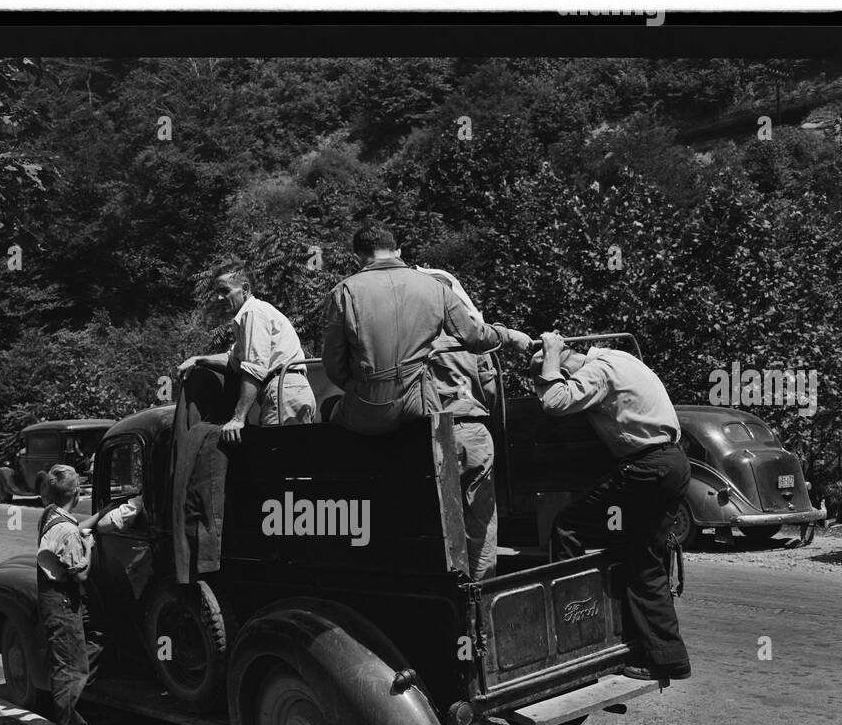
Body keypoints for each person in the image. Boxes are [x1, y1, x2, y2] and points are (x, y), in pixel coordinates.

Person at [320, 224, 534, 579]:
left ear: (360, 255)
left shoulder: (344, 291)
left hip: (372, 411)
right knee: (477, 521)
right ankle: (480, 590)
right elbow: (474, 336)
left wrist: (363, 387)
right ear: (398, 249)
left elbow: (333, 365)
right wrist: (509, 336)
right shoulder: (435, 287)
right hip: (428, 412)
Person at [534, 331, 692, 683]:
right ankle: (667, 658)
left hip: (646, 467)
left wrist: (549, 357)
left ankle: (575, 629)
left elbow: (552, 403)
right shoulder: (621, 357)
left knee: (568, 526)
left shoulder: (598, 372)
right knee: (644, 561)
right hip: (672, 462)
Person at [36, 464, 139, 725]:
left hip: (53, 597)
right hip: (63, 598)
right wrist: (90, 548)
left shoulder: (51, 515)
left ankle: (71, 700)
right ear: (78, 493)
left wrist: (101, 514)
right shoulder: (69, 533)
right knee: (71, 665)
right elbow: (80, 573)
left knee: (82, 649)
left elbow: (74, 527)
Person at [177, 260, 316, 444]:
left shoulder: (253, 313)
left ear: (245, 288)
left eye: (225, 291)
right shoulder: (252, 314)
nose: (219, 298)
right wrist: (198, 359)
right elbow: (234, 361)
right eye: (218, 292)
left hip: (282, 391)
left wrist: (238, 418)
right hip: (288, 391)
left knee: (279, 462)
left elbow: (254, 368)